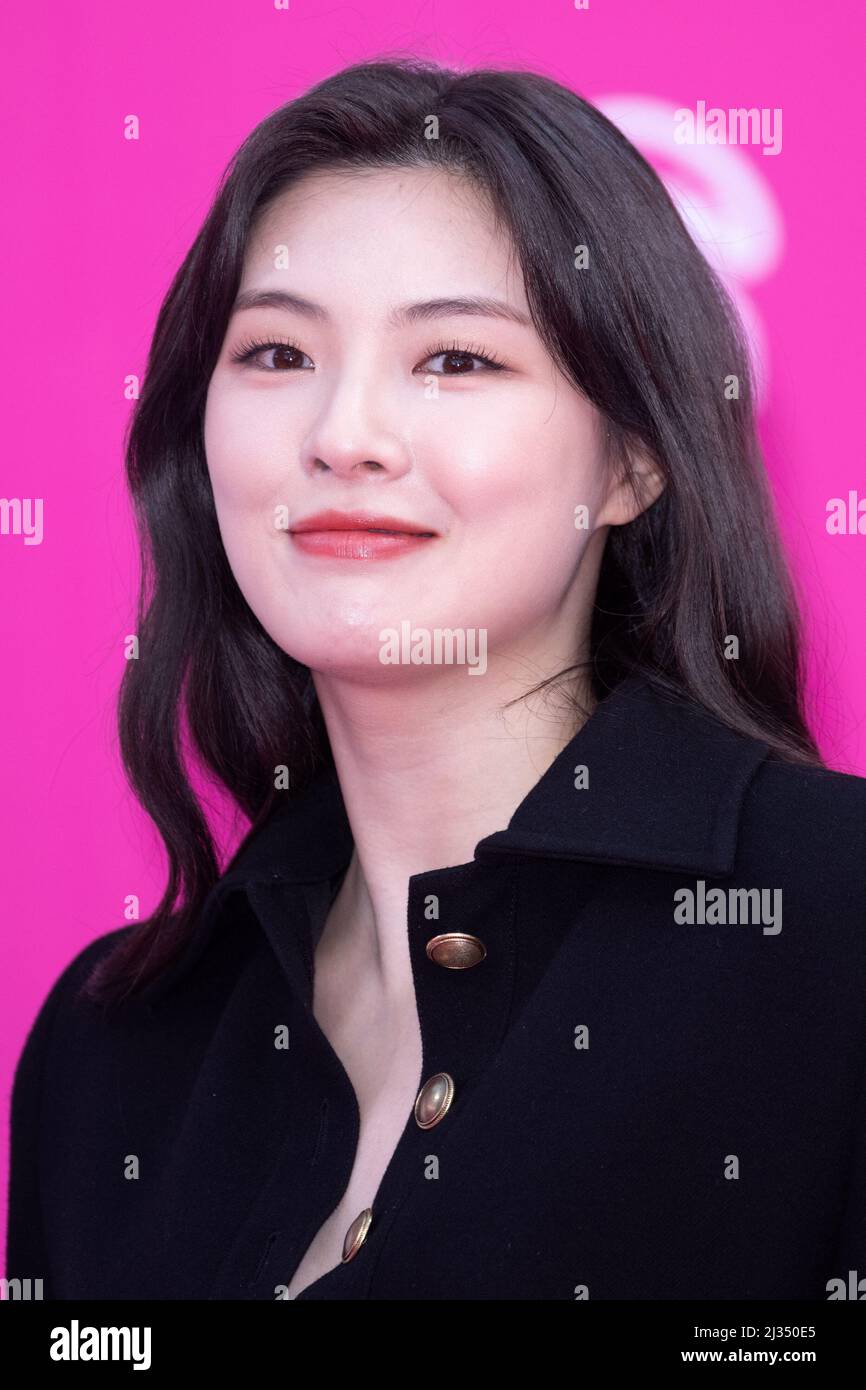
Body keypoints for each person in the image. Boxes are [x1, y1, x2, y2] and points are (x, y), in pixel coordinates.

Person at [6, 57, 866, 1301]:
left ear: (633, 460)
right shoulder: (111, 1048)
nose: (342, 432)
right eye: (276, 353)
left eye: (455, 360)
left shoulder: (834, 930)